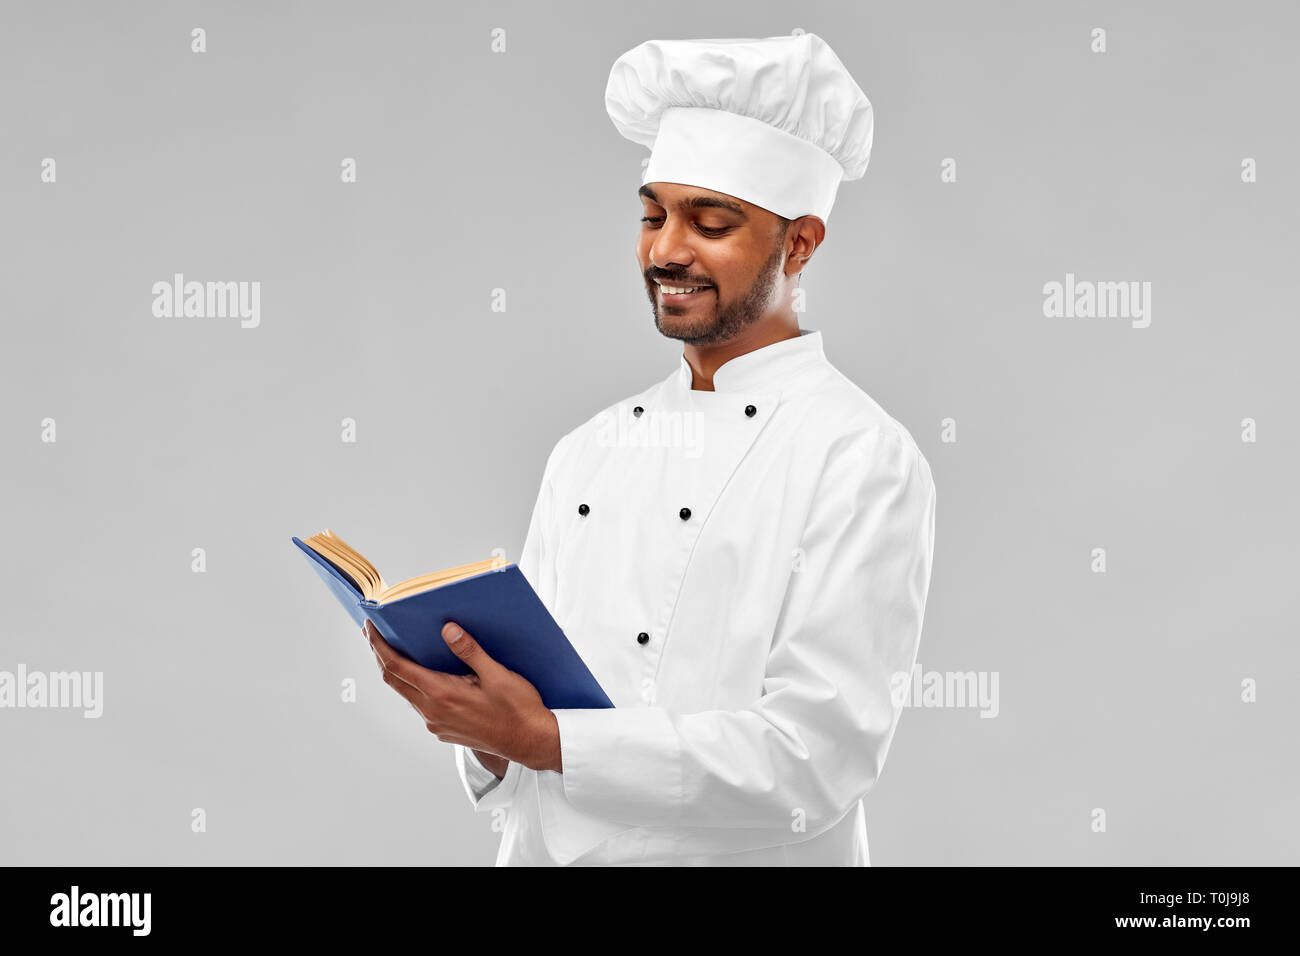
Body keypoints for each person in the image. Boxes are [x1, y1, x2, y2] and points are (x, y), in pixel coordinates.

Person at [363, 32, 937, 866]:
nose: (666, 250)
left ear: (801, 243)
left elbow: (816, 763)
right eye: (652, 214)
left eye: (709, 222)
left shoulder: (860, 457)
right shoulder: (586, 451)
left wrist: (553, 741)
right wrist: (485, 731)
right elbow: (531, 754)